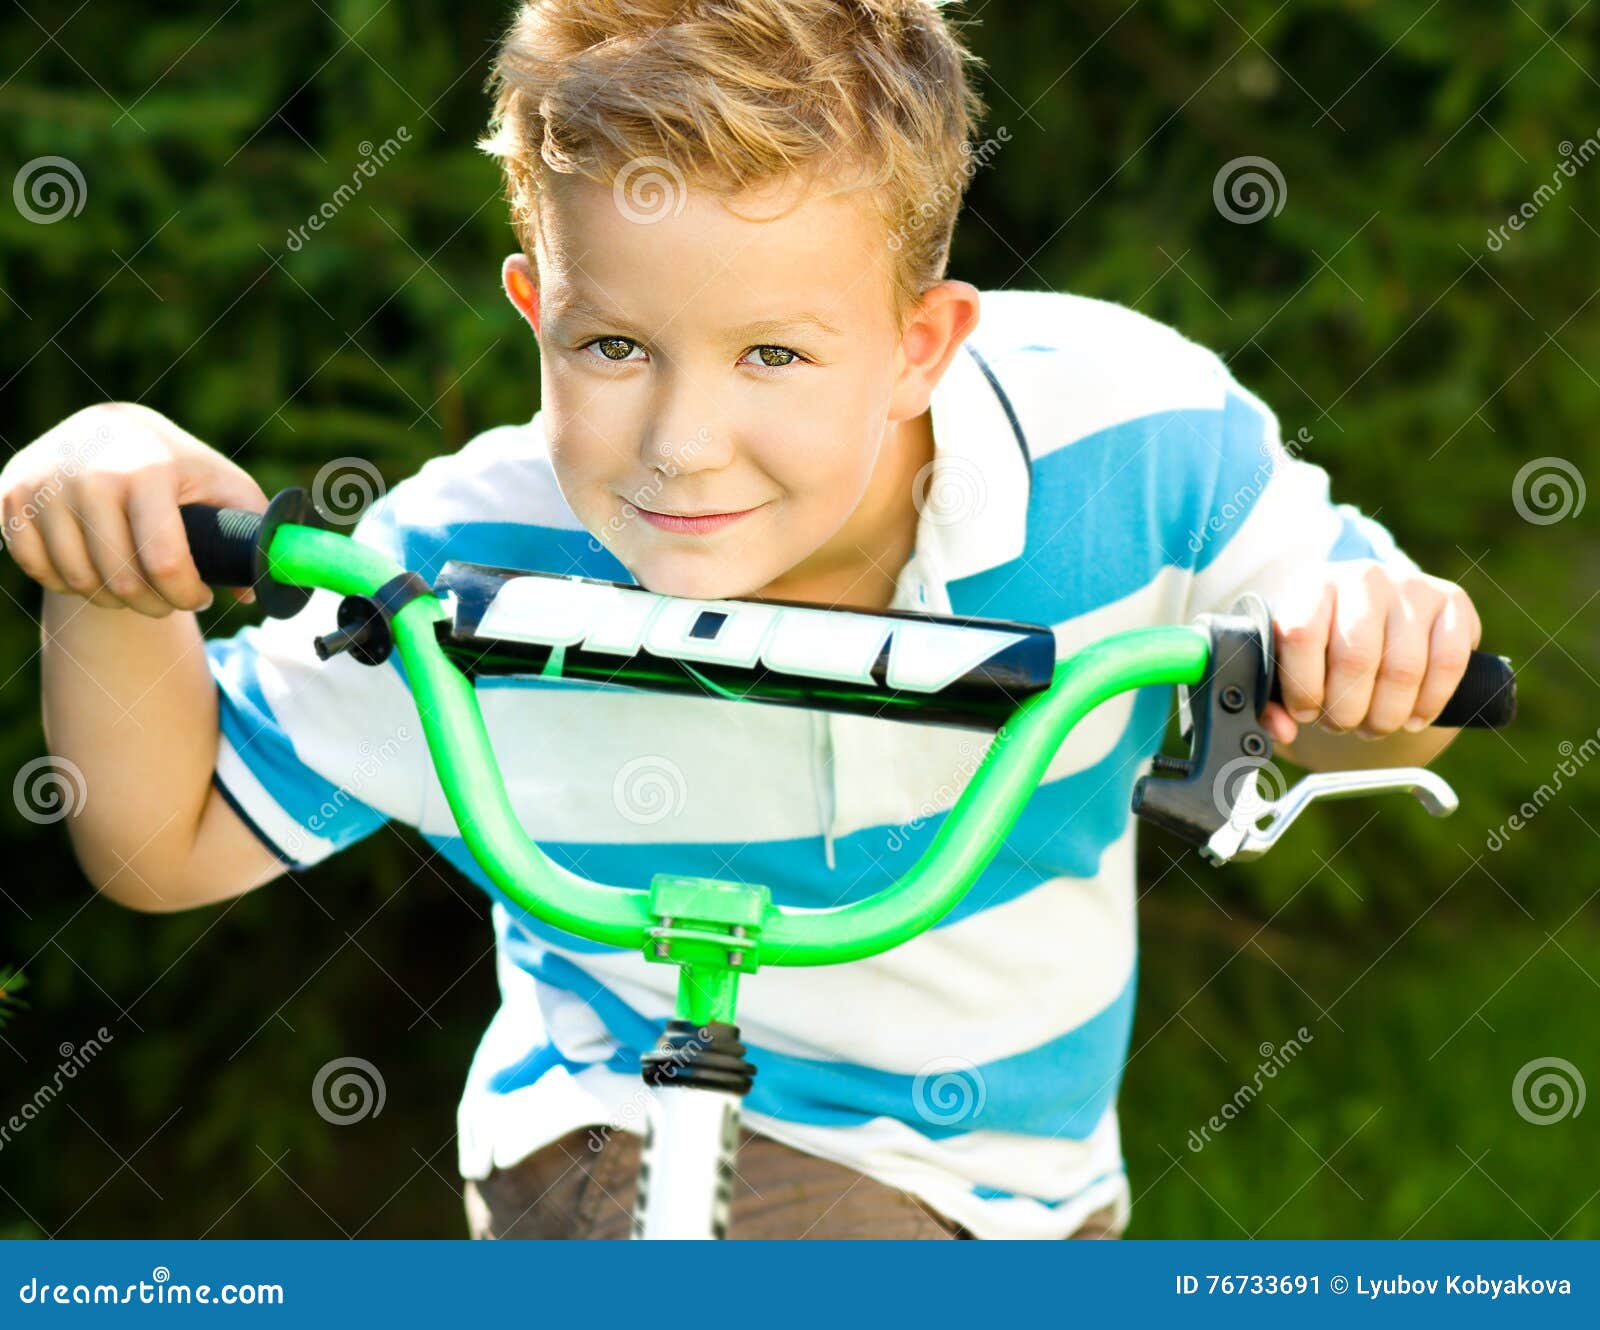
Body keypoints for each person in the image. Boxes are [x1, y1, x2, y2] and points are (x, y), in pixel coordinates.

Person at [1, 0, 1481, 1239]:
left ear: (919, 345)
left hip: (1036, 1181)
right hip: (635, 1131)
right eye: (613, 344)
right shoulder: (469, 576)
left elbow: (1362, 684)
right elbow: (162, 834)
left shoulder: (1134, 438)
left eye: (773, 351)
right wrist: (108, 573)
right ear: (535, 308)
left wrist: (1372, 657)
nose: (683, 442)